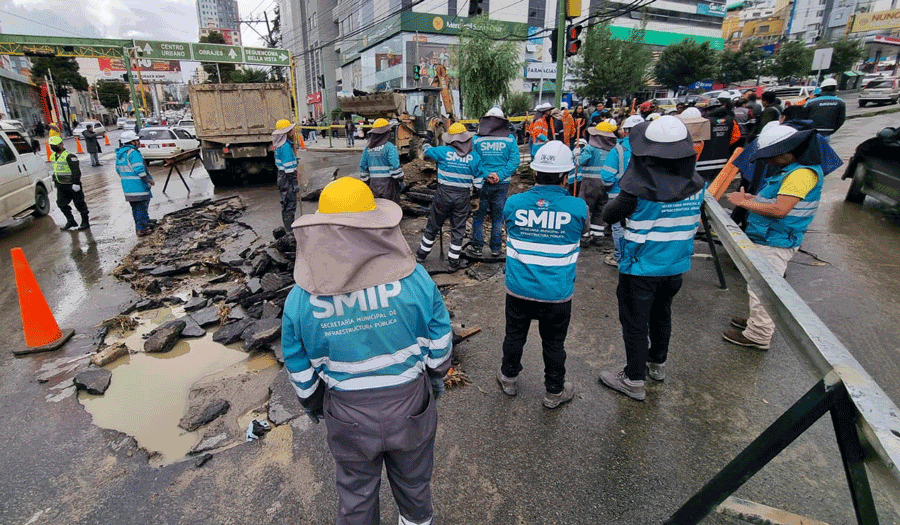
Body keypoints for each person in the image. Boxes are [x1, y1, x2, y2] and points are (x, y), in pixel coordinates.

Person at [283, 177, 452, 525]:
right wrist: (436, 377)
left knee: (356, 497)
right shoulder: (416, 279)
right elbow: (439, 339)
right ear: (376, 224)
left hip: (347, 413)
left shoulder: (301, 298)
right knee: (415, 487)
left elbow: (299, 368)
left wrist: (315, 404)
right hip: (411, 406)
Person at [598, 116, 705, 401]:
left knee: (635, 323)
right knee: (662, 315)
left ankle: (633, 379)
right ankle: (657, 364)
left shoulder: (637, 190)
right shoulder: (697, 184)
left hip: (641, 269)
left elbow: (609, 215)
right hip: (675, 267)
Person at [497, 141, 587, 408]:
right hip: (556, 293)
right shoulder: (578, 208)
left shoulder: (513, 203)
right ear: (565, 176)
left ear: (535, 173)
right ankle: (554, 392)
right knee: (554, 343)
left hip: (519, 289)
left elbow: (510, 229)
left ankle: (509, 379)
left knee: (514, 335)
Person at [723, 124, 824, 350]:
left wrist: (744, 202)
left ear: (785, 152)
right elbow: (776, 200)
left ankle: (758, 334)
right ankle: (756, 322)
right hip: (769, 236)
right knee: (757, 285)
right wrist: (752, 198)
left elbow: (781, 209)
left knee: (764, 288)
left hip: (776, 240)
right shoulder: (791, 170)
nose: (767, 162)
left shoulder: (801, 174)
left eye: (770, 157)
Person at [415, 122, 485, 271]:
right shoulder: (475, 158)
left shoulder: (442, 152)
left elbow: (426, 149)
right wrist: (475, 197)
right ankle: (453, 262)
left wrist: (429, 132)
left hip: (443, 194)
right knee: (458, 229)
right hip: (463, 196)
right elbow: (479, 181)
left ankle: (421, 255)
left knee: (433, 225)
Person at [470, 107, 519, 257]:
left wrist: (486, 175)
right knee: (498, 216)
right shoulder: (510, 139)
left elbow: (473, 160)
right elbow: (515, 160)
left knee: (479, 215)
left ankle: (477, 247)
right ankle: (496, 248)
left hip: (481, 184)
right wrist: (500, 175)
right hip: (502, 184)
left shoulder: (476, 139)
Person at [601, 114, 644, 267]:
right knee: (639, 226)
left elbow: (607, 176)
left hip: (618, 194)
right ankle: (636, 256)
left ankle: (619, 256)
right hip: (643, 196)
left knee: (619, 227)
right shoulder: (651, 149)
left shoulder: (619, 150)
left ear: (626, 131)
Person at [576, 121, 618, 242]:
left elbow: (581, 161)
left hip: (589, 184)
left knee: (586, 208)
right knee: (601, 209)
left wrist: (577, 155)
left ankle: (584, 235)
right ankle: (598, 235)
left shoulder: (590, 148)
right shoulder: (613, 150)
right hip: (606, 183)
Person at [115, 130, 154, 236]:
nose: (139, 142)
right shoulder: (133, 153)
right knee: (141, 207)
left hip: (128, 188)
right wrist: (148, 180)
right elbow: (140, 170)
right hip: (138, 187)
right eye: (137, 140)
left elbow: (118, 170)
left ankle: (144, 223)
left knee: (136, 208)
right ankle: (142, 228)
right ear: (132, 142)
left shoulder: (120, 154)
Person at [49, 136, 90, 231]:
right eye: (51, 145)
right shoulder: (53, 156)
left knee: (79, 204)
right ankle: (71, 221)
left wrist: (75, 183)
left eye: (55, 145)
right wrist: (55, 180)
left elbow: (76, 171)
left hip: (72, 185)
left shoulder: (70, 156)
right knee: (61, 203)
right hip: (61, 185)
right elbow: (56, 170)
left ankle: (85, 222)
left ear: (61, 145)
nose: (53, 147)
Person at [695, 98, 741, 182]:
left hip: (704, 160)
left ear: (709, 109)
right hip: (722, 159)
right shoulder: (731, 120)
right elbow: (736, 136)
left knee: (703, 186)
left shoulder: (705, 121)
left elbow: (698, 140)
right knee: (715, 186)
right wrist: (724, 143)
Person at [359, 118, 403, 205]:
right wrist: (401, 180)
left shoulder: (367, 149)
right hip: (388, 186)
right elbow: (395, 169)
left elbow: (363, 167)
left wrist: (367, 181)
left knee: (378, 209)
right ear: (386, 133)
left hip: (373, 185)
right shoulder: (390, 147)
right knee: (391, 208)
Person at [272, 119, 302, 236]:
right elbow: (289, 170)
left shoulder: (280, 145)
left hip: (282, 177)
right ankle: (290, 231)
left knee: (286, 203)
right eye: (292, 130)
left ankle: (288, 228)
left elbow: (284, 162)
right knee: (290, 204)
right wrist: (295, 184)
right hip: (287, 178)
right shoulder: (285, 147)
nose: (294, 132)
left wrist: (294, 160)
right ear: (288, 133)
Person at [805, 78, 846, 143]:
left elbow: (803, 117)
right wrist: (832, 130)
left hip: (811, 133)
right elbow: (841, 119)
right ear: (835, 89)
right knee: (824, 151)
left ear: (822, 89)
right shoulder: (840, 102)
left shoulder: (811, 102)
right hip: (827, 133)